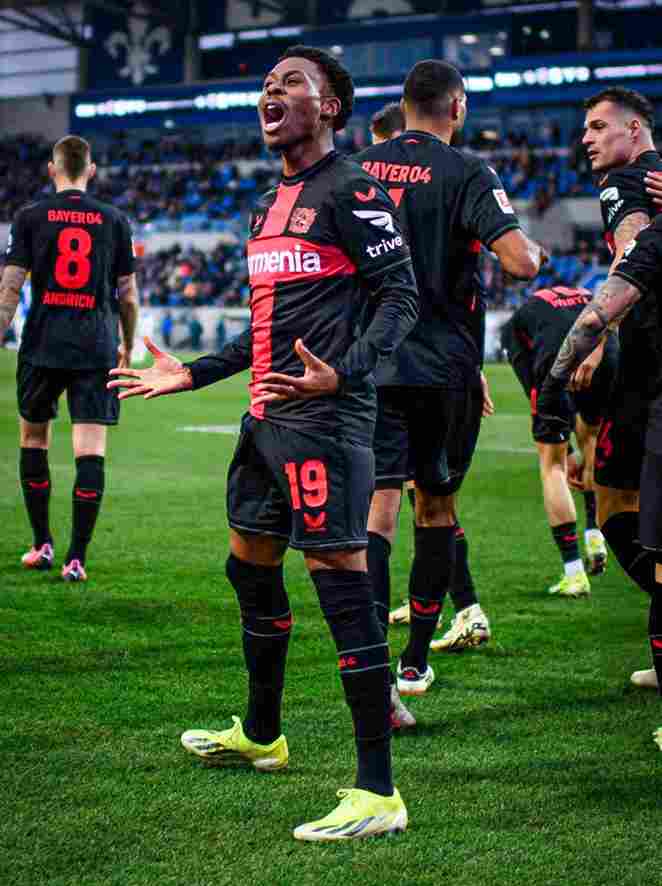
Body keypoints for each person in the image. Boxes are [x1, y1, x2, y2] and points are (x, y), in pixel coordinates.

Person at [108, 46, 419, 841]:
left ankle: (378, 793)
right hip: (262, 424)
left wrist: (343, 375)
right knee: (248, 567)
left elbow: (400, 296)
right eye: (267, 83)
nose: (271, 92)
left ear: (332, 109)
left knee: (342, 591)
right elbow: (262, 332)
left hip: (325, 423)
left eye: (292, 83)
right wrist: (196, 374)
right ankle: (262, 733)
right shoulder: (263, 206)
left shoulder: (354, 188)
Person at [350, 60, 546, 700]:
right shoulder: (467, 172)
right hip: (444, 367)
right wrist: (537, 250)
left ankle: (373, 659)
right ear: (456, 107)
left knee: (377, 512)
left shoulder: (356, 170)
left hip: (374, 363)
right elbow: (518, 261)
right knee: (435, 506)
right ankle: (413, 663)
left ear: (404, 104)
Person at [537, 214, 662, 748]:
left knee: (655, 546)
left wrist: (553, 378)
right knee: (618, 516)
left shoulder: (650, 235)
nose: (586, 137)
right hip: (638, 395)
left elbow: (595, 315)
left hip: (655, 402)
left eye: (596, 124)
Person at [0, 135, 138, 582]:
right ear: (91, 170)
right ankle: (76, 559)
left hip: (42, 344)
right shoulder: (114, 219)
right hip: (96, 346)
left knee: (34, 441)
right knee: (90, 453)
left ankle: (42, 544)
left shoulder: (29, 217)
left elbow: (10, 290)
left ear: (51, 169)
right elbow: (128, 296)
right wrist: (128, 344)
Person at [577, 87, 662, 688]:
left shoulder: (627, 181)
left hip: (650, 371)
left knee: (616, 508)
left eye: (599, 126)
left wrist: (599, 329)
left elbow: (631, 251)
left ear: (634, 130)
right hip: (645, 367)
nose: (587, 138)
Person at [504, 284, 617, 595]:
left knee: (552, 465)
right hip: (606, 352)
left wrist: (562, 448)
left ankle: (574, 573)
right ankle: (596, 537)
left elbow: (532, 385)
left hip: (557, 355)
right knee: (592, 438)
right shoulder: (584, 292)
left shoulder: (518, 322)